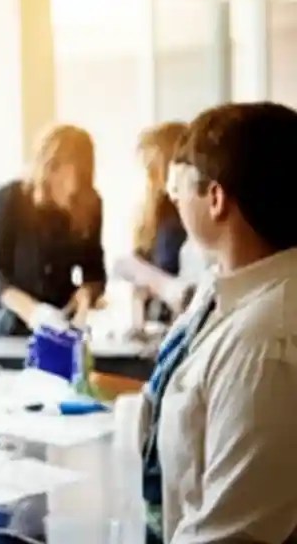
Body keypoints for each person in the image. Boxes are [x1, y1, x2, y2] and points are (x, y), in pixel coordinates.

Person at [142, 102, 297, 543]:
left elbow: (232, 532)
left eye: (181, 188)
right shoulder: (223, 289)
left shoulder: (268, 341)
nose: (172, 198)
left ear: (216, 198)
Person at [0, 124, 107, 335]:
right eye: (64, 177)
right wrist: (32, 312)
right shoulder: (9, 200)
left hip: (63, 324)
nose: (72, 187)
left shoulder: (90, 202)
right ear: (47, 169)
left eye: (79, 176)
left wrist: (86, 295)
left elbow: (95, 270)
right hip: (11, 328)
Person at [113, 122, 198, 325]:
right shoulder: (151, 215)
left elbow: (189, 292)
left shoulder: (190, 217)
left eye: (154, 165)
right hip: (155, 325)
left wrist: (145, 275)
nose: (150, 175)